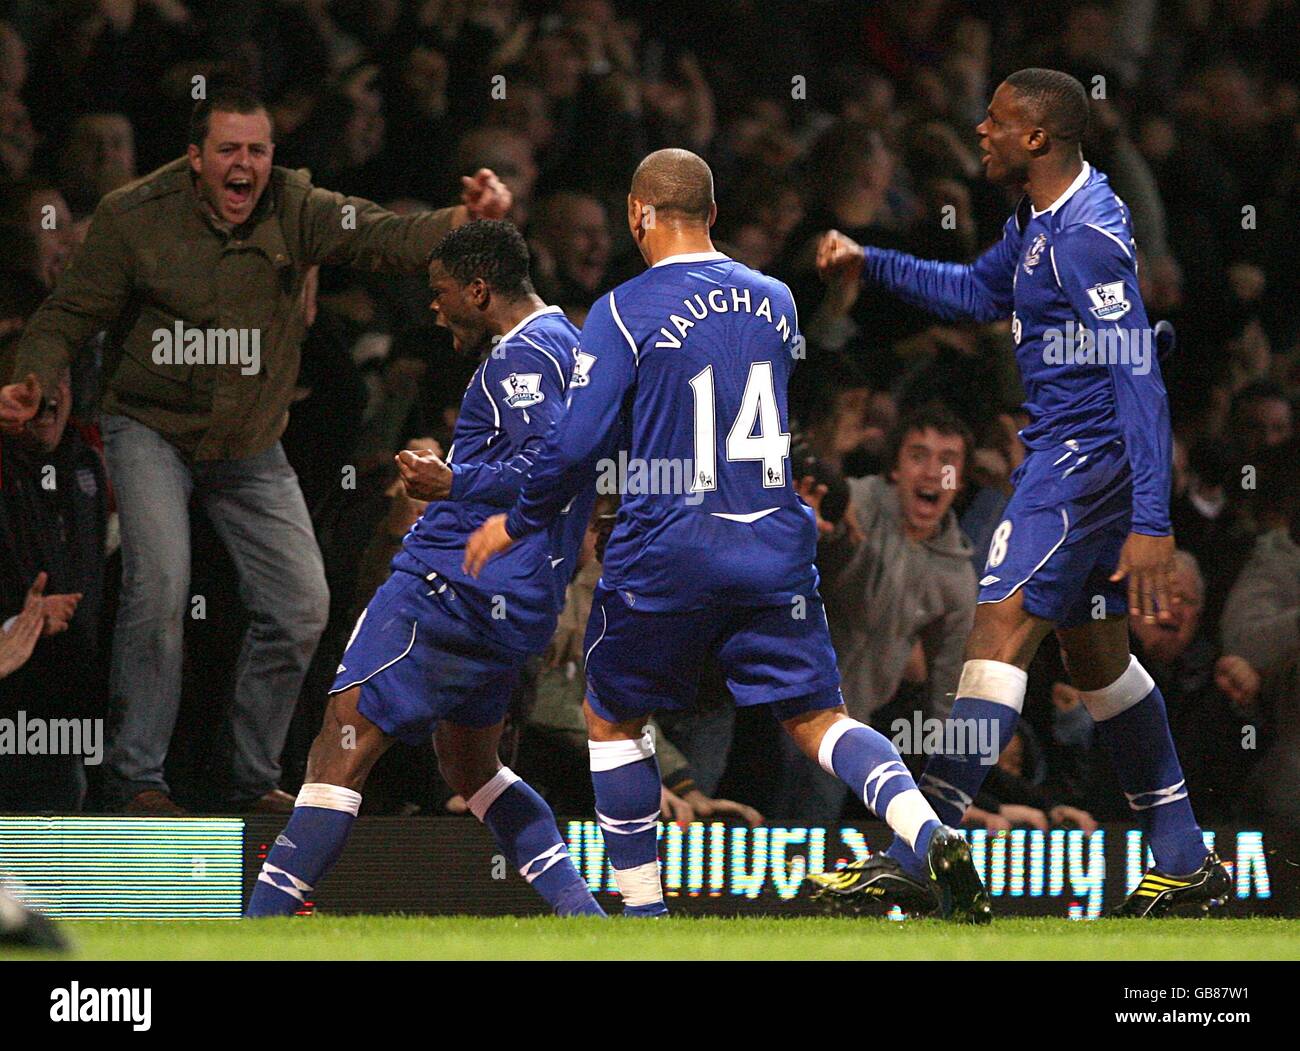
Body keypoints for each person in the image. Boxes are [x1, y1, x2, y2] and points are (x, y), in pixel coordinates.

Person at [465, 148, 991, 923]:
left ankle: (641, 916)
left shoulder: (620, 308)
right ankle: (926, 830)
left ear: (639, 215)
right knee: (819, 718)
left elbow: (577, 443)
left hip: (667, 546)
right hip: (771, 545)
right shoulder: (776, 299)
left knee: (612, 715)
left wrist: (517, 518)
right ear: (712, 216)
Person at [0, 87, 512, 815]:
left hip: (248, 441)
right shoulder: (132, 216)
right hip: (152, 426)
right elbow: (69, 313)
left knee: (301, 602)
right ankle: (137, 779)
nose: (246, 165)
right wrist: (31, 375)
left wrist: (465, 221)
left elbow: (381, 235)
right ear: (195, 159)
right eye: (230, 151)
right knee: (162, 589)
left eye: (259, 151)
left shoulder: (296, 205)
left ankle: (248, 777)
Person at [815, 68, 1228, 917]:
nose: (981, 131)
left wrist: (1152, 520)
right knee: (1096, 662)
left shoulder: (1087, 235)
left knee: (995, 625)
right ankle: (1185, 857)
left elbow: (1139, 375)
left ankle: (919, 846)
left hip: (1082, 465)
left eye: (996, 121)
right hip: (1075, 461)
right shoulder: (1041, 221)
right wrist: (872, 260)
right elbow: (975, 290)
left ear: (1036, 138)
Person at [247, 220, 604, 919]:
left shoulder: (520, 359)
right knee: (473, 767)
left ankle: (257, 925)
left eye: (441, 294)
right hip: (515, 606)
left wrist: (453, 480)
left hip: (448, 588)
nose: (433, 308)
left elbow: (546, 466)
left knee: (337, 747)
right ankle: (586, 921)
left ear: (479, 289)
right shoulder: (577, 350)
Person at [773, 403, 976, 827]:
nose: (932, 473)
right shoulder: (854, 501)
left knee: (810, 847)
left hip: (844, 726)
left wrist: (949, 788)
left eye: (948, 462)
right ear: (895, 469)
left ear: (961, 480)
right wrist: (814, 531)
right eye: (918, 456)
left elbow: (946, 688)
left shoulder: (958, 576)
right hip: (774, 699)